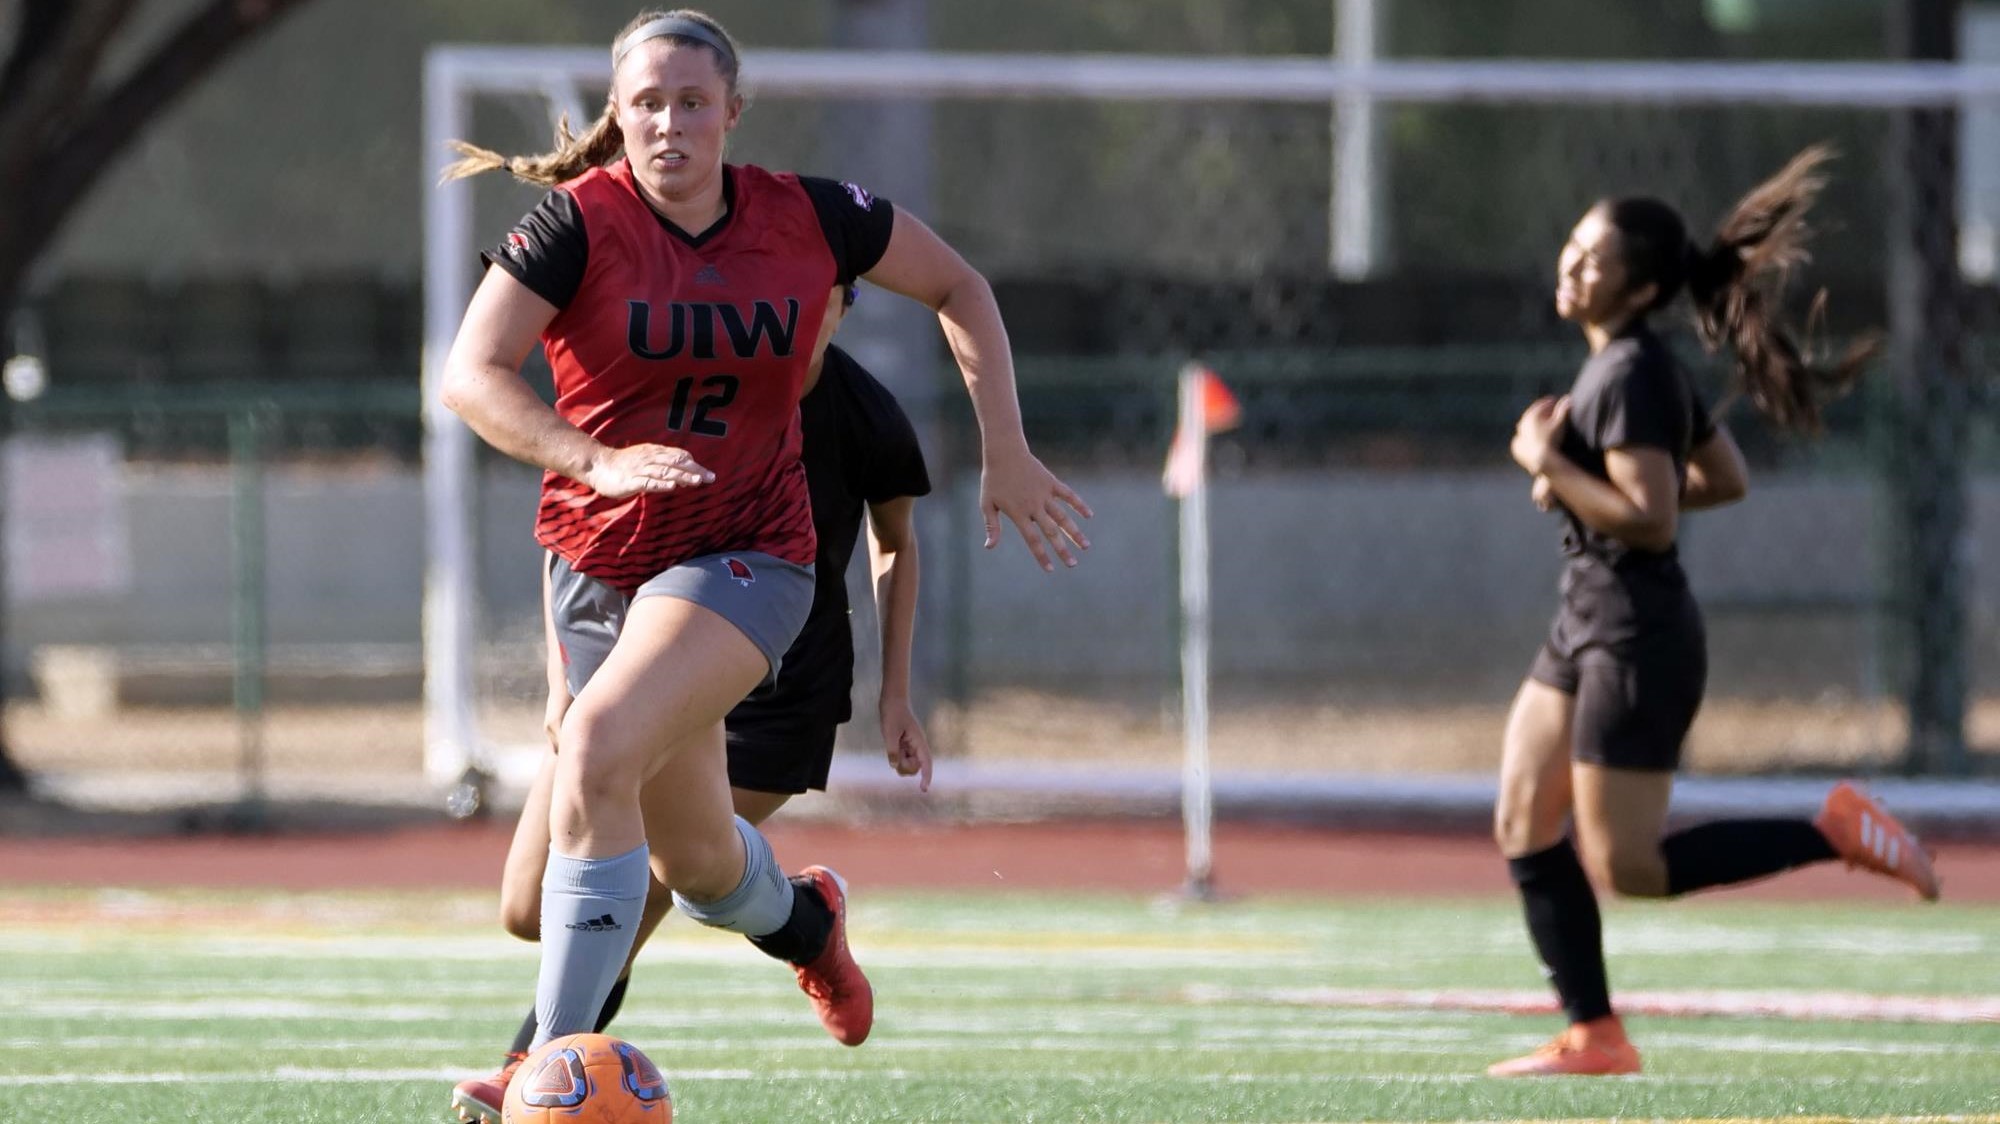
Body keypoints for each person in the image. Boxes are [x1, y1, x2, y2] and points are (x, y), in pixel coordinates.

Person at [437, 3, 1090, 1088]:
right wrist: (594, 459)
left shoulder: (815, 217)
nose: (669, 124)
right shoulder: (573, 227)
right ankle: (804, 920)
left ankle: (541, 1068)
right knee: (691, 862)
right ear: (617, 111)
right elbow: (470, 375)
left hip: (749, 553)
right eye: (647, 103)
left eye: (693, 102)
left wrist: (1007, 447)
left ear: (733, 112)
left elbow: (958, 286)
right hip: (596, 563)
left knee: (597, 745)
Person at [1491, 144, 1940, 1078]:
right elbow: (1723, 477)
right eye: (1572, 248)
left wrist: (1550, 465)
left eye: (1596, 259)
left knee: (1633, 869)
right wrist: (1574, 483)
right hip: (1588, 621)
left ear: (1642, 285)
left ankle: (1832, 830)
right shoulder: (1625, 366)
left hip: (1632, 634)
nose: (1573, 266)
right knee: (1523, 819)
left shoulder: (1626, 374)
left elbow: (1652, 522)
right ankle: (1595, 1035)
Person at [450, 284, 931, 1124]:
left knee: (649, 884)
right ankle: (806, 921)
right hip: (655, 653)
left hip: (784, 687)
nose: (794, 313)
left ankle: (535, 1069)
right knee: (528, 908)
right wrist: (565, 681)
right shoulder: (686, 377)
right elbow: (576, 520)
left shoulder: (865, 414)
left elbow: (897, 543)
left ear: (844, 306)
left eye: (819, 296)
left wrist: (895, 694)